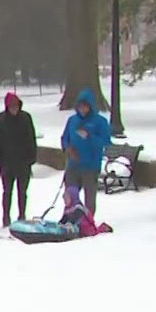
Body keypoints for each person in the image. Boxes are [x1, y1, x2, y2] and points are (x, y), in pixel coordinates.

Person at [60, 87, 111, 216]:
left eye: (85, 107)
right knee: (71, 194)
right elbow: (65, 137)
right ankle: (71, 216)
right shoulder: (72, 121)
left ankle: (88, 219)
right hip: (73, 164)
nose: (82, 110)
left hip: (90, 165)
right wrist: (67, 148)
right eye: (80, 107)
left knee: (90, 197)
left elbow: (105, 142)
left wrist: (89, 137)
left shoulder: (100, 122)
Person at [0, 91, 38, 226]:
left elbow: (31, 139)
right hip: (7, 162)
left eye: (16, 106)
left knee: (22, 192)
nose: (14, 109)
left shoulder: (26, 118)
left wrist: (31, 158)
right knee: (7, 192)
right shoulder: (1, 119)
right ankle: (6, 217)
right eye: (11, 107)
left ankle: (22, 214)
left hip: (23, 162)